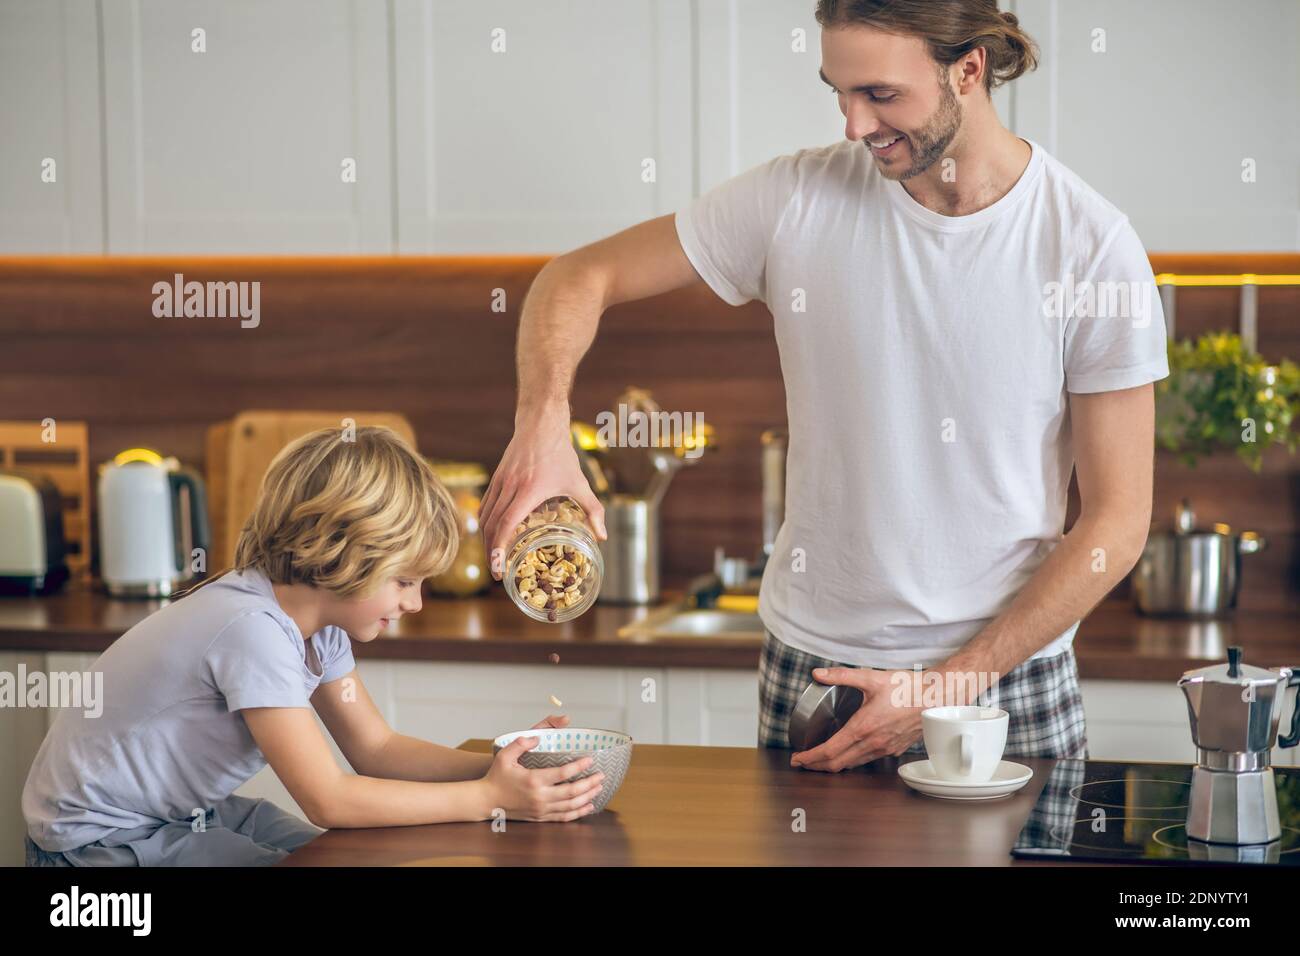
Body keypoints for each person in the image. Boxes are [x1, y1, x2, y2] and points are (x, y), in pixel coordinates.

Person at [480, 0, 1167, 773]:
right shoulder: (793, 199)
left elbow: (1117, 523)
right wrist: (542, 423)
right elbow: (577, 276)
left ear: (969, 69)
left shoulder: (1088, 245)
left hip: (1001, 683)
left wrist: (948, 686)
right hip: (814, 673)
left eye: (880, 94)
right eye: (838, 92)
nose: (854, 125)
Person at [24, 425, 604, 866]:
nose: (415, 604)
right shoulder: (251, 629)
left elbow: (375, 748)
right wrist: (489, 800)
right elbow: (329, 800)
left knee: (342, 856)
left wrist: (503, 767)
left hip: (176, 816)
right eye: (404, 582)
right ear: (342, 554)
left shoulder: (316, 628)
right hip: (98, 844)